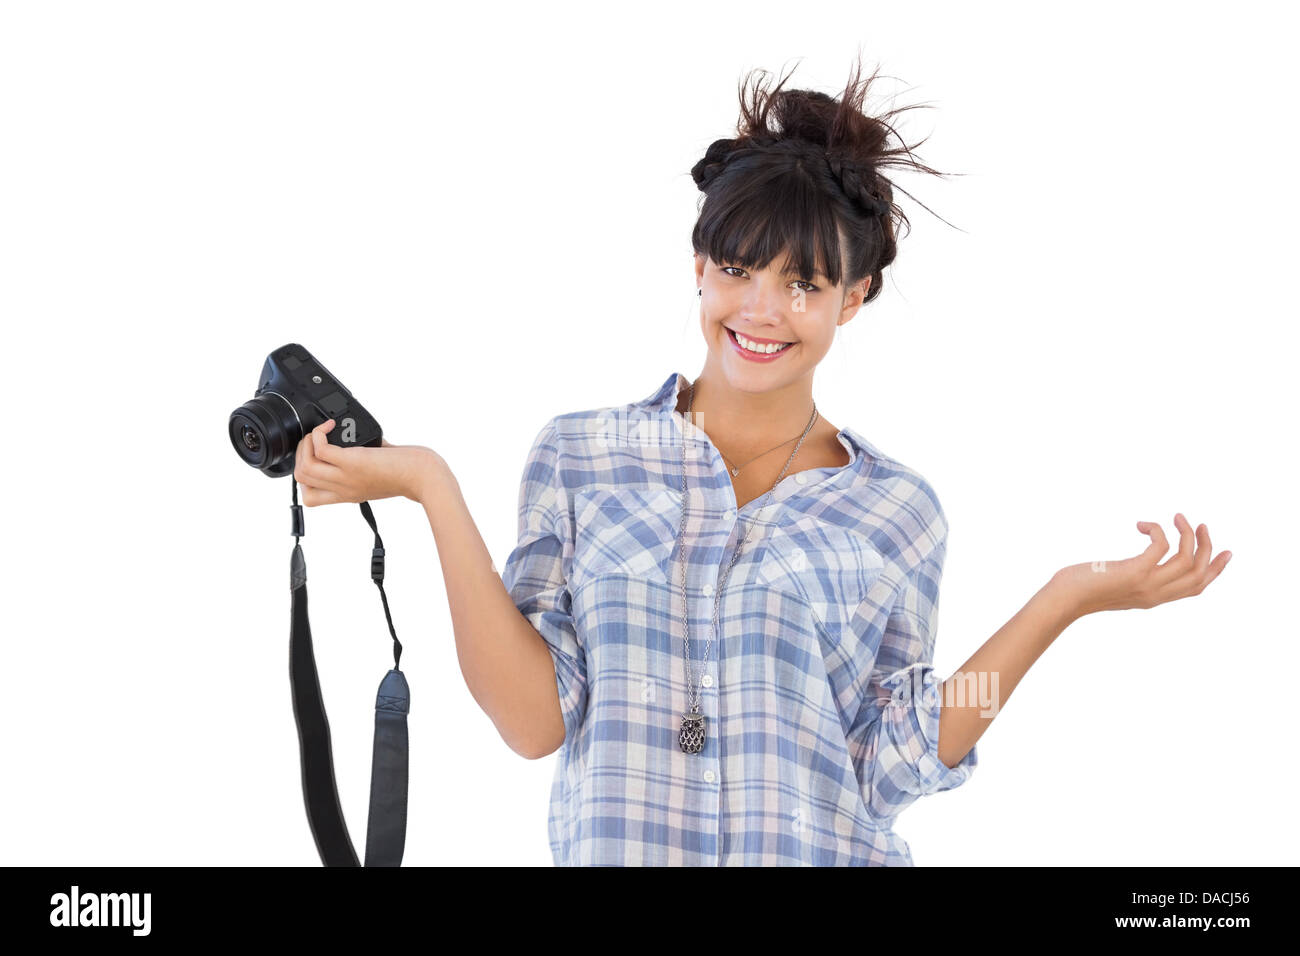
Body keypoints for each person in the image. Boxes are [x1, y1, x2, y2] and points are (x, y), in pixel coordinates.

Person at [289, 57, 1232, 866]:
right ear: (698, 263)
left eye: (803, 284)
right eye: (738, 269)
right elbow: (535, 724)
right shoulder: (581, 457)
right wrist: (431, 489)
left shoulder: (897, 511)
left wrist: (1064, 599)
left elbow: (894, 756)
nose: (761, 310)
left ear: (853, 298)